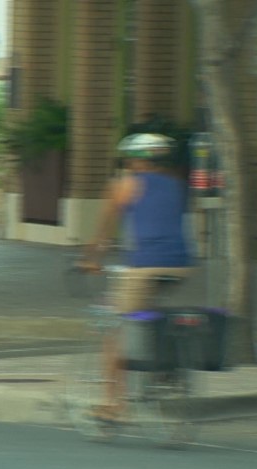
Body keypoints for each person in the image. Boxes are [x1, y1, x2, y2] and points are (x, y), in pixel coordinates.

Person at [77, 132, 195, 424]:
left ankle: (113, 405)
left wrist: (91, 259)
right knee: (148, 315)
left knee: (114, 329)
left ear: (134, 159)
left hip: (145, 265)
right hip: (180, 265)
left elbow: (105, 230)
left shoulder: (126, 185)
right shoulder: (179, 186)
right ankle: (165, 367)